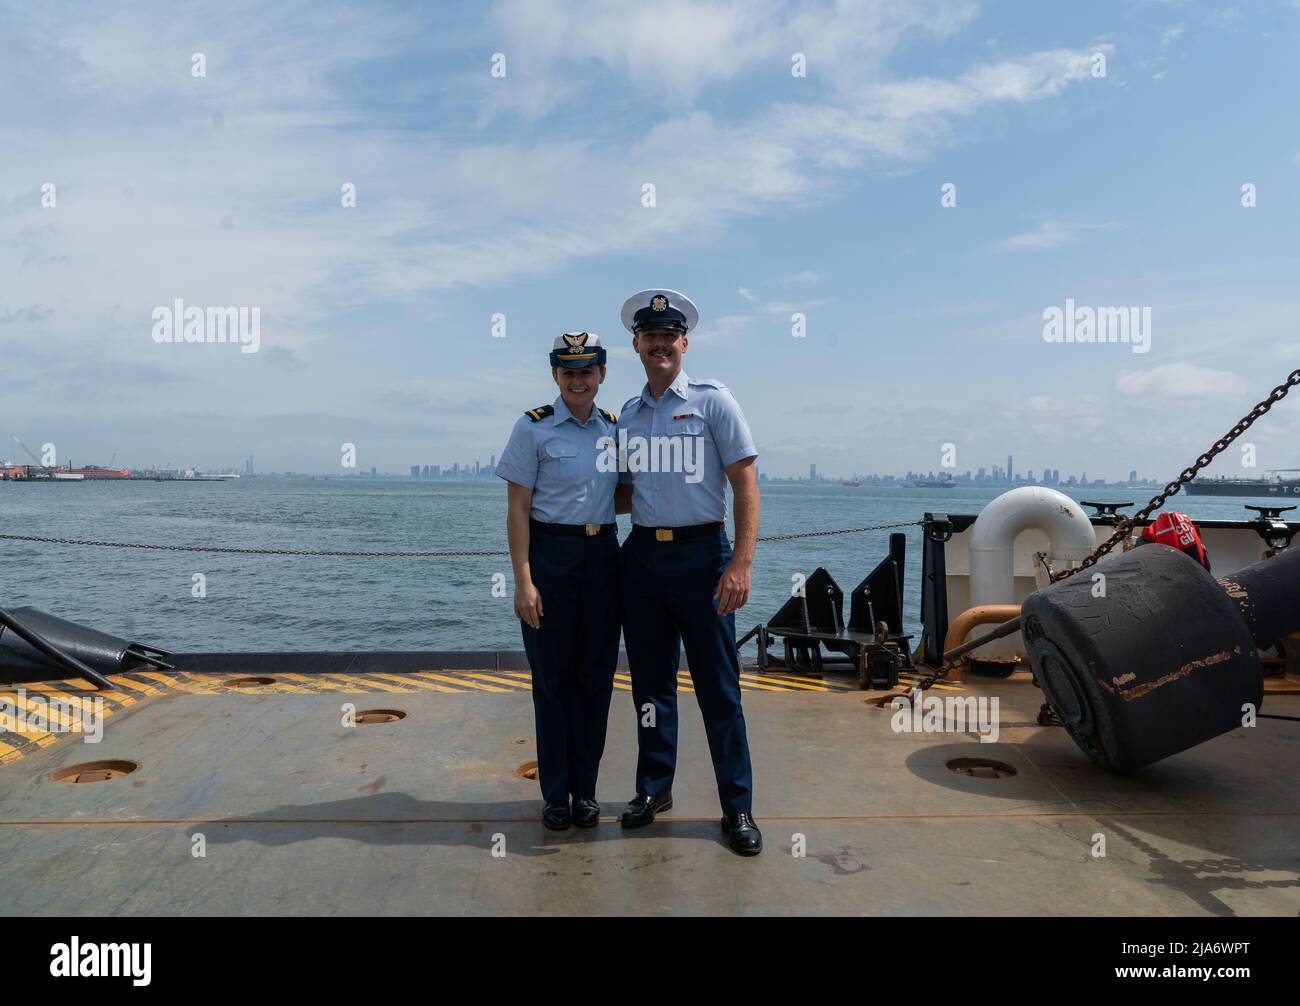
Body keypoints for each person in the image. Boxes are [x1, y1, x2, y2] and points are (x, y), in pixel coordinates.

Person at [613, 288, 764, 856]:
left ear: (683, 342)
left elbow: (746, 484)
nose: (659, 344)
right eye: (649, 336)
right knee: (651, 686)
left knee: (719, 690)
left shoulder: (713, 401)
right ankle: (653, 790)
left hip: (704, 559)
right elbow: (626, 494)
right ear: (636, 344)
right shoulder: (627, 415)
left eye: (667, 335)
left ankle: (737, 806)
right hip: (643, 558)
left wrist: (739, 563)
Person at [496, 333, 621, 831]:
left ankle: (585, 793)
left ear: (601, 375)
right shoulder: (533, 429)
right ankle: (554, 796)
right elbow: (517, 509)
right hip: (550, 556)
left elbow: (629, 495)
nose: (577, 380)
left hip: (603, 559)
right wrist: (523, 581)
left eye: (586, 371)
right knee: (552, 684)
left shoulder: (616, 429)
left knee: (595, 681)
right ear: (555, 376)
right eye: (568, 372)